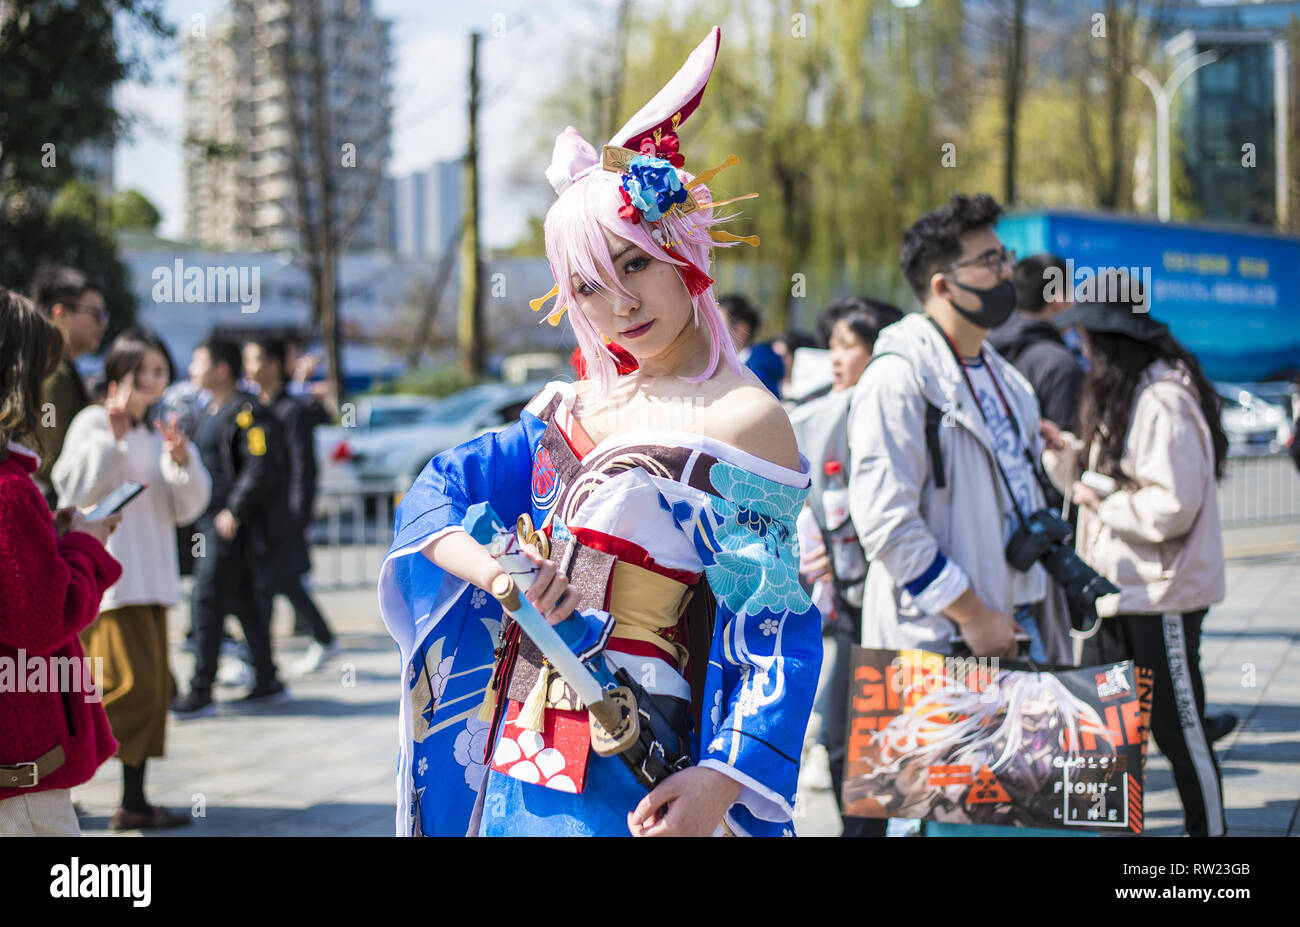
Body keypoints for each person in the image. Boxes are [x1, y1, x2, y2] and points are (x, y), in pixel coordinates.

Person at [378, 26, 821, 837]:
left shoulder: (746, 417)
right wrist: (497, 576)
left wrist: (722, 781)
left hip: (641, 752)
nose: (620, 304)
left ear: (681, 243)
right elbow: (436, 491)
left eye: (635, 263)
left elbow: (776, 621)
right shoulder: (570, 407)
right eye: (589, 285)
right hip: (521, 741)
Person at [1045, 295, 1229, 837]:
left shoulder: (1163, 400)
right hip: (1119, 592)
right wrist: (1071, 459)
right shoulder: (1130, 394)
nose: (1081, 347)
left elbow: (1172, 506)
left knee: (1178, 730)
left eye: (1088, 338)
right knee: (1106, 734)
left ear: (1110, 345)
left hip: (1160, 596)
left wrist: (1103, 501)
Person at [52, 327, 211, 829]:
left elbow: (187, 507)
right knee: (122, 691)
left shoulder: (157, 432)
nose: (148, 380)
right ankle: (66, 784)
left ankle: (132, 799)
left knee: (150, 693)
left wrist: (181, 461)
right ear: (117, 373)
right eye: (139, 371)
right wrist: (112, 442)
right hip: (109, 586)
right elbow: (72, 487)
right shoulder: (93, 422)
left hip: (152, 581)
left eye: (158, 371)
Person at [0, 286, 123, 836]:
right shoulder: (9, 487)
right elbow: (43, 616)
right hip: (20, 768)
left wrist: (50, 537)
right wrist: (86, 542)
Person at [791, 297, 902, 837]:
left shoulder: (891, 411)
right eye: (832, 345)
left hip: (893, 601)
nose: (836, 357)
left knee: (869, 744)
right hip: (849, 609)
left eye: (849, 345)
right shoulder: (825, 412)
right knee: (844, 743)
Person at [171, 337, 286, 715]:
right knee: (242, 600)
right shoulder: (208, 411)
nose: (192, 368)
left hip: (228, 526)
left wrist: (234, 511)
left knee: (205, 598)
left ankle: (201, 687)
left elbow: (260, 465)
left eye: (199, 361)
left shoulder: (247, 412)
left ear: (221, 368)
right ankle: (267, 677)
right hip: (209, 523)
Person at [243, 336, 336, 673]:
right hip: (262, 515)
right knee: (272, 583)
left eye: (255, 359)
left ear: (274, 365)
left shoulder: (292, 411)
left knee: (280, 581)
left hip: (285, 516)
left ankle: (316, 640)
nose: (249, 367)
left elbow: (303, 467)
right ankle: (259, 658)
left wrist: (298, 513)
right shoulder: (255, 409)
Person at [30, 266, 109, 508]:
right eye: (96, 314)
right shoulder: (53, 373)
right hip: (44, 510)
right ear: (60, 313)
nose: (103, 324)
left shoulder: (51, 365)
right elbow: (49, 460)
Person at [988, 254, 1085, 433]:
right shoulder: (1062, 366)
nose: (1074, 302)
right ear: (1057, 298)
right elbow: (1064, 451)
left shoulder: (987, 352)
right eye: (1071, 292)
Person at [720, 294, 785, 398]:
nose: (713, 332)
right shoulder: (729, 361)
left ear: (742, 328)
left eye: (720, 325)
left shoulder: (762, 363)